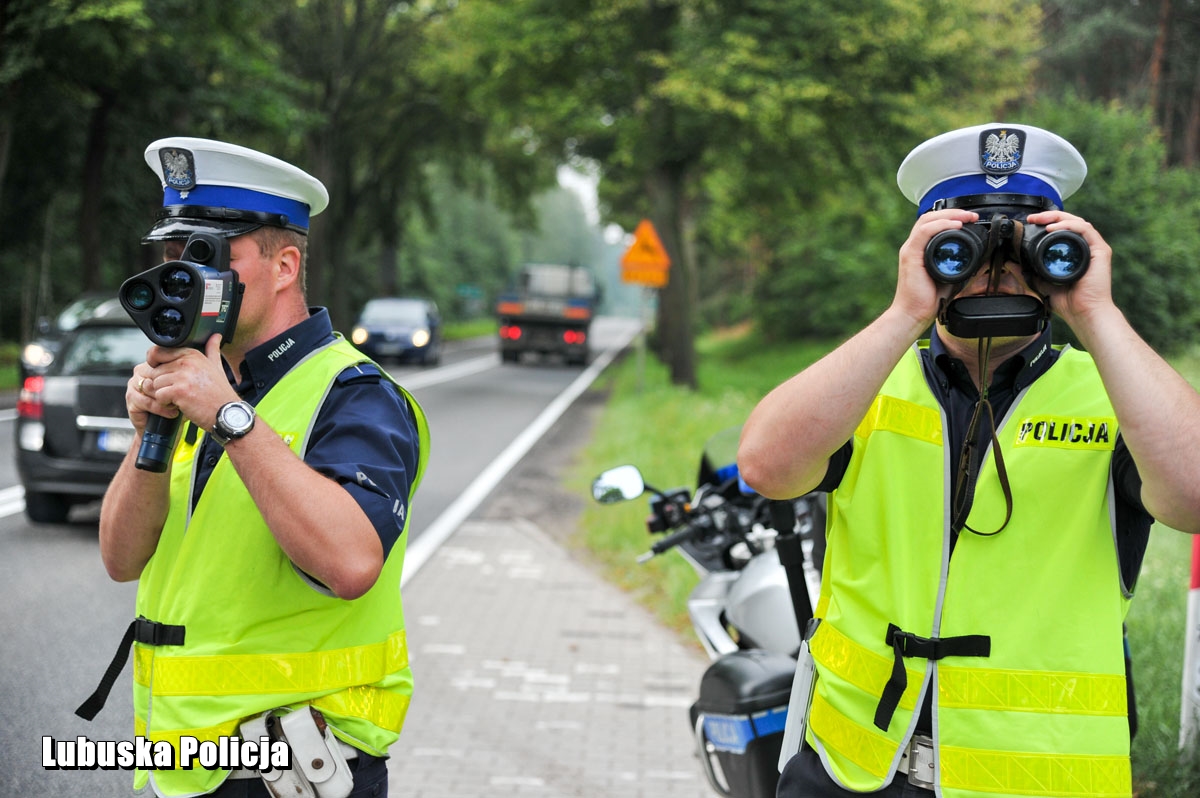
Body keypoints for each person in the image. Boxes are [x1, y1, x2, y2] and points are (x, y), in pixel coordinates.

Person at [737, 123, 1200, 798]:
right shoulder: (870, 384)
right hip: (848, 771)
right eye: (968, 245)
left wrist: (1094, 311)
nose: (996, 268)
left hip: (1037, 782)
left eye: (1021, 247)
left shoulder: (1115, 398)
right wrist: (905, 314)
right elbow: (766, 467)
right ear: (926, 250)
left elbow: (1192, 496)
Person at [86, 137, 429, 797]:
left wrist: (230, 418)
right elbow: (122, 559)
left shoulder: (356, 393)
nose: (180, 277)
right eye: (171, 255)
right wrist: (148, 434)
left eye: (209, 256)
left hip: (294, 774)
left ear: (284, 265)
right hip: (180, 765)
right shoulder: (201, 383)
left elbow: (353, 563)